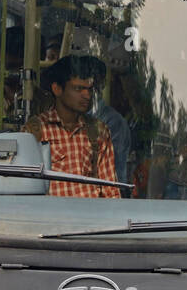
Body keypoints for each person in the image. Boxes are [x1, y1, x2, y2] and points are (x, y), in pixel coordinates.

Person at [27, 53, 122, 199]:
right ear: (57, 89)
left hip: (91, 216)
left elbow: (110, 191)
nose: (86, 95)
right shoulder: (36, 130)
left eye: (89, 89)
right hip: (50, 217)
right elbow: (26, 189)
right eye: (78, 89)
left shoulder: (98, 130)